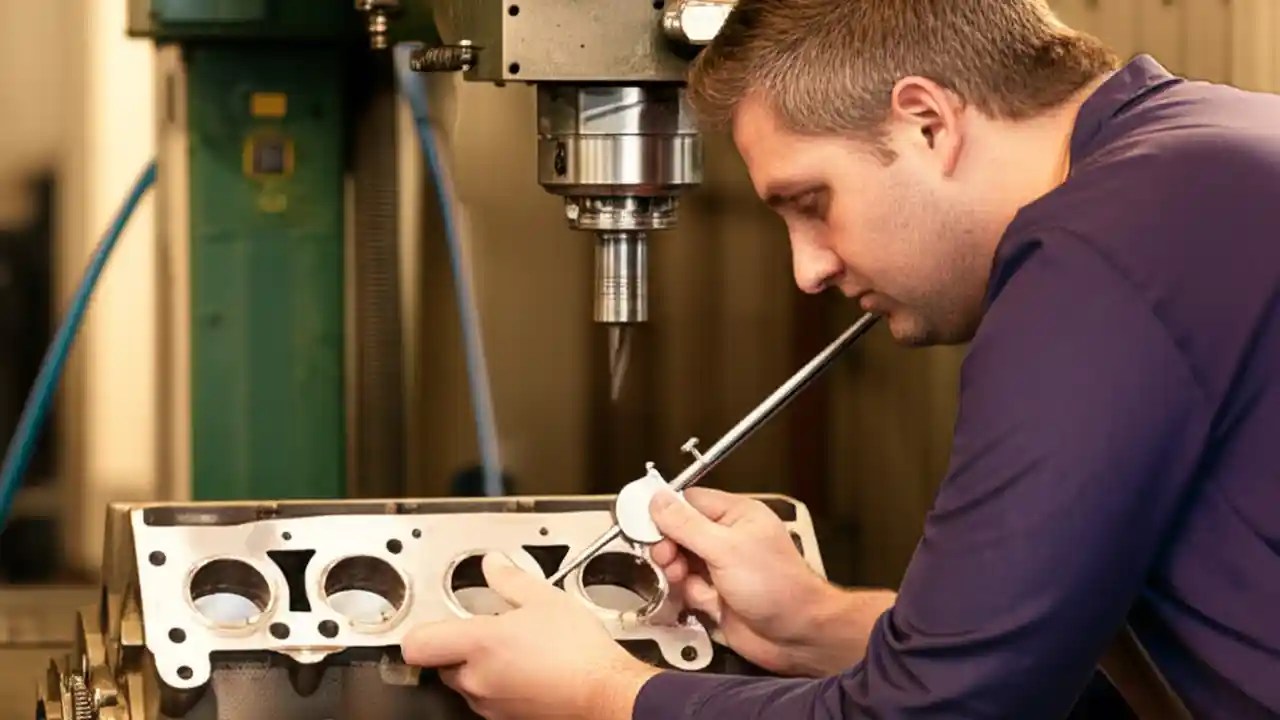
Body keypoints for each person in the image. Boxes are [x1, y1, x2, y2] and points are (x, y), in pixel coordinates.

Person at [399, 0, 1280, 717]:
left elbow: (945, 716)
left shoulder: (1097, 251)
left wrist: (602, 692)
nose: (808, 268)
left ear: (927, 122)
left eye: (811, 201)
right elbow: (1060, 680)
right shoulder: (1208, 156)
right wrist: (814, 622)